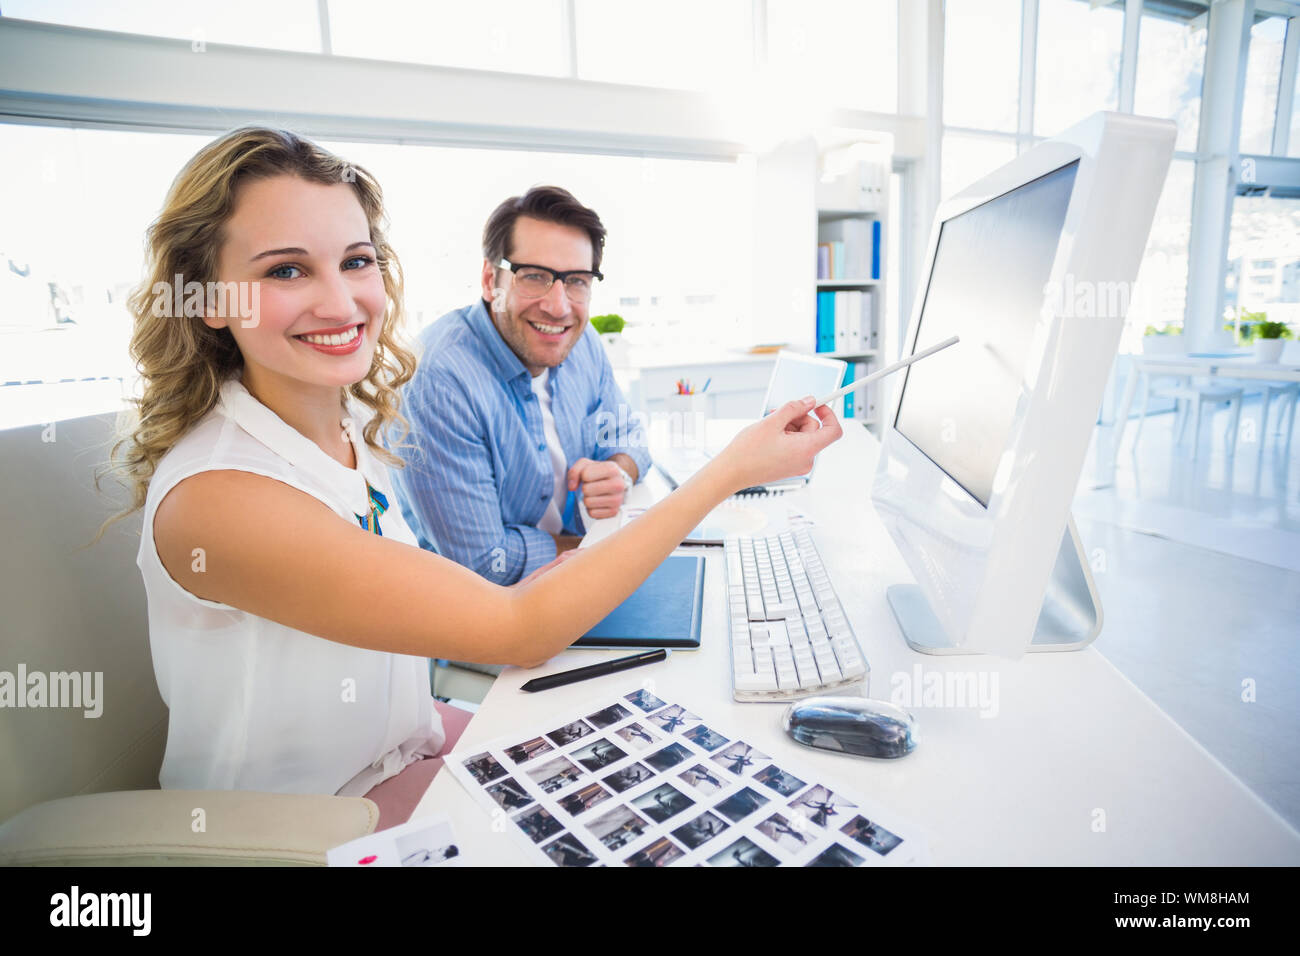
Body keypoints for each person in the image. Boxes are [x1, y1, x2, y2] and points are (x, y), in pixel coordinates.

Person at [105, 127, 841, 820]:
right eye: (287, 269)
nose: (340, 301)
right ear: (203, 299)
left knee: (666, 768)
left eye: (356, 261)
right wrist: (729, 471)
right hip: (302, 826)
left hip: (406, 751)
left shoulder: (354, 426)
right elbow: (516, 626)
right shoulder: (220, 496)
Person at [391, 186, 651, 585]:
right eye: (534, 277)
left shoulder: (582, 342)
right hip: (486, 623)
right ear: (488, 279)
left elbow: (627, 433)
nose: (559, 306)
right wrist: (606, 546)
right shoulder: (436, 382)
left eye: (577, 281)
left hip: (581, 584)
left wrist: (618, 471)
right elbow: (484, 563)